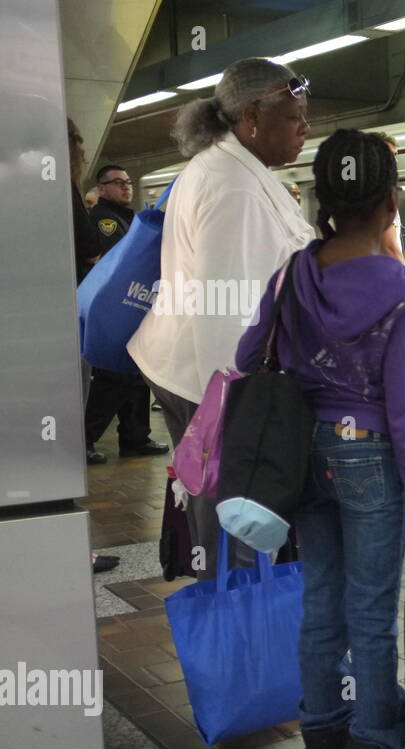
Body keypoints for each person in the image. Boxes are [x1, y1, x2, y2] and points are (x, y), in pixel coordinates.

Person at [235, 129, 405, 749]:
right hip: (368, 457)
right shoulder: (399, 290)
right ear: (391, 202)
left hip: (303, 459)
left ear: (323, 202)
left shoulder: (292, 273)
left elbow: (247, 355)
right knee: (371, 617)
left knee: (321, 608)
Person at [126, 57, 315, 580]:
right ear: (252, 117)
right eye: (294, 116)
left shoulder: (229, 168)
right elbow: (223, 310)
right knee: (235, 505)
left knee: (219, 504)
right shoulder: (233, 186)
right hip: (207, 375)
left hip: (185, 366)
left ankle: (235, 606)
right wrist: (236, 412)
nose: (306, 127)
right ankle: (241, 626)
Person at [84, 164, 169, 463]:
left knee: (134, 373)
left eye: (128, 182)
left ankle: (135, 437)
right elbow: (119, 261)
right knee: (113, 376)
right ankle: (85, 437)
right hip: (117, 304)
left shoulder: (128, 217)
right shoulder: (105, 220)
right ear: (102, 188)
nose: (125, 186)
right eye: (117, 183)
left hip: (129, 302)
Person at [67, 119, 118, 574]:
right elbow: (92, 258)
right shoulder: (61, 190)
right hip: (63, 328)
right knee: (67, 436)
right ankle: (71, 545)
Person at [376, 132, 405, 264]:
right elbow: (390, 250)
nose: (395, 160)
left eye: (396, 155)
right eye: (390, 155)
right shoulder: (379, 194)